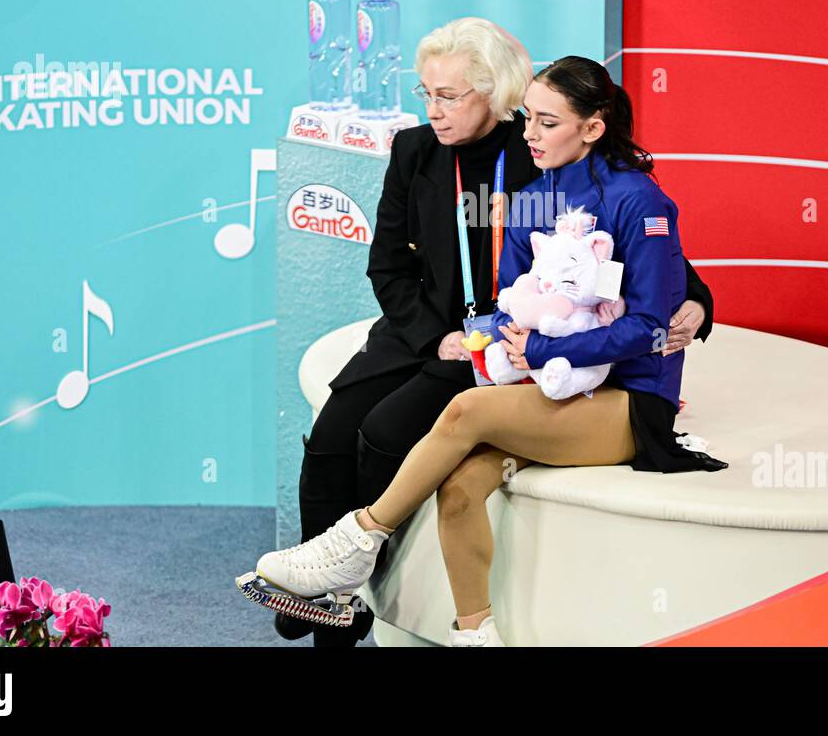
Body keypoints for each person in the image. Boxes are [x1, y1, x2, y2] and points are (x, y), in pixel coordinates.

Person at [257, 54, 727, 646]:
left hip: (627, 400)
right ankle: (476, 634)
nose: (530, 132)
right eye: (528, 118)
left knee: (465, 412)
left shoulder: (639, 201)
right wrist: (506, 336)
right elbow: (509, 299)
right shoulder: (535, 194)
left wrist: (555, 350)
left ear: (593, 126)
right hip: (542, 390)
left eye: (547, 122)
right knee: (458, 490)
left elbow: (650, 326)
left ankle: (356, 543)